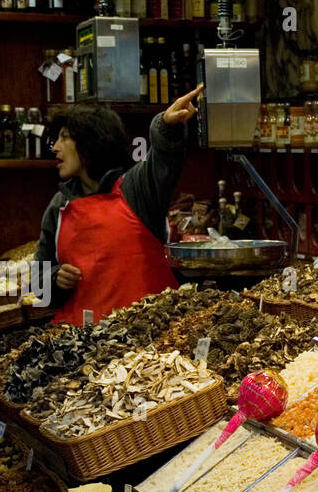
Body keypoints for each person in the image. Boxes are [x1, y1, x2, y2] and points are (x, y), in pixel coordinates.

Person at [34, 84, 203, 326]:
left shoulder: (135, 188)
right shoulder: (59, 206)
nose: (55, 147)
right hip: (82, 346)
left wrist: (166, 127)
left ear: (89, 142)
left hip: (148, 341)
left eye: (64, 138)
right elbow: (38, 283)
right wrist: (53, 279)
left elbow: (165, 160)